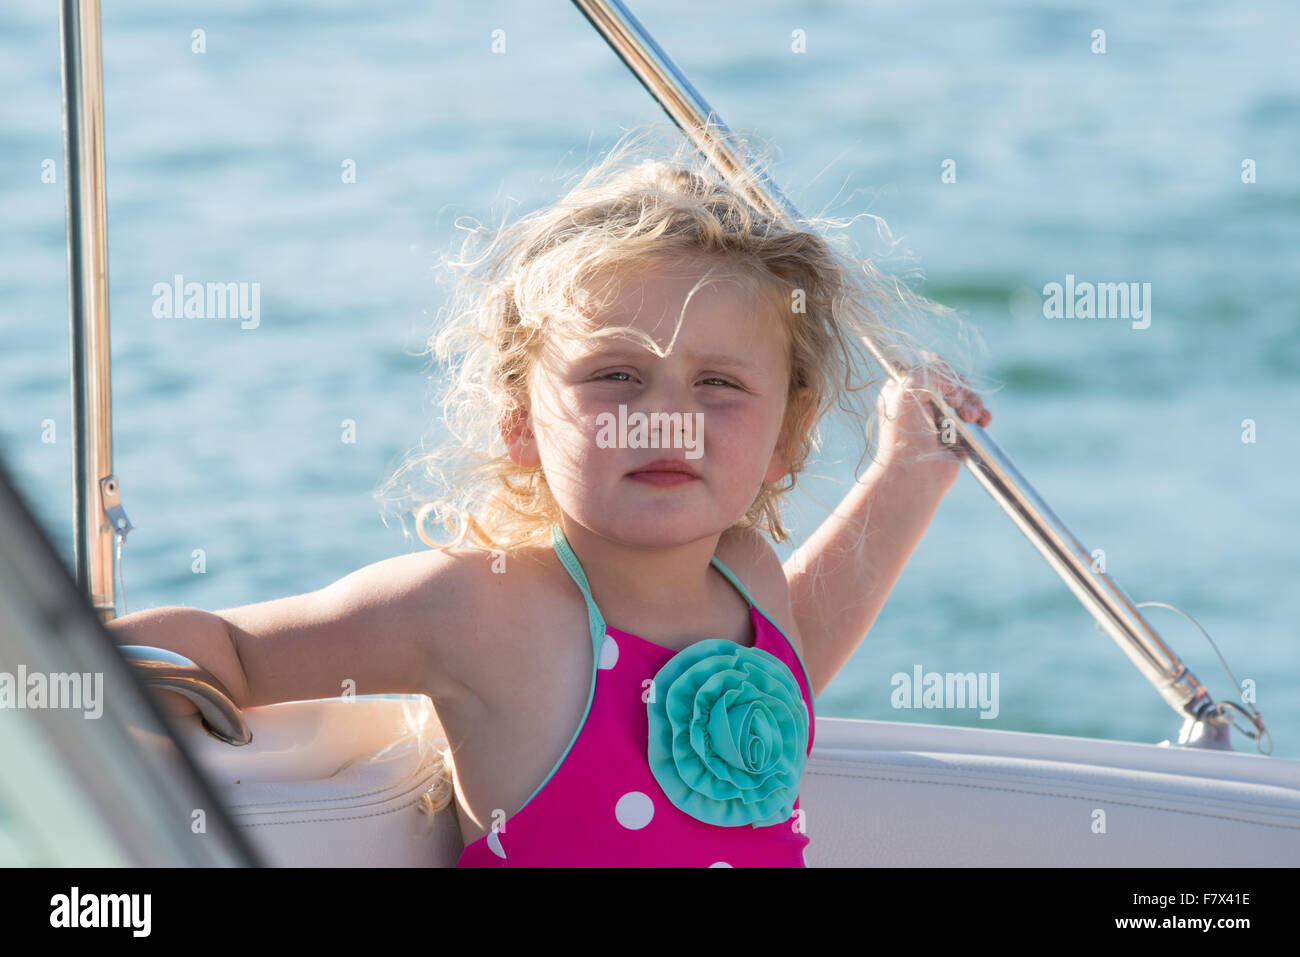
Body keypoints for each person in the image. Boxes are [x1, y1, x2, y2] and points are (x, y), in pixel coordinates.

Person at [108, 123, 992, 867]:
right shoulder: (486, 609)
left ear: (787, 436)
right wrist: (50, 670)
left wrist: (905, 475)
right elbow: (233, 650)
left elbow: (795, 666)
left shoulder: (749, 574)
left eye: (717, 383)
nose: (665, 419)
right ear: (520, 421)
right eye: (615, 374)